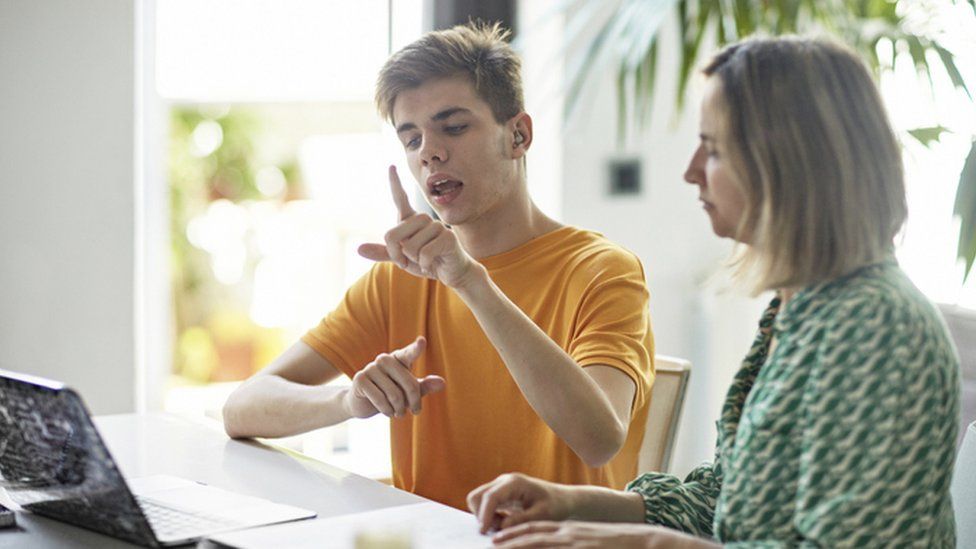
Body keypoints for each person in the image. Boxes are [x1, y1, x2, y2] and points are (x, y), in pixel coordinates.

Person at [468, 36, 961, 547]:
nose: (691, 171)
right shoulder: (800, 308)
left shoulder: (875, 329)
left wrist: (650, 543)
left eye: (717, 149)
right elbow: (730, 498)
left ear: (792, 164)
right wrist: (573, 503)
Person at [221, 22, 655, 511]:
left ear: (518, 134)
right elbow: (242, 407)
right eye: (411, 139)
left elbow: (599, 438)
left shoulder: (602, 271)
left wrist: (469, 280)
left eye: (453, 127)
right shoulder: (397, 277)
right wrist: (347, 402)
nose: (429, 152)